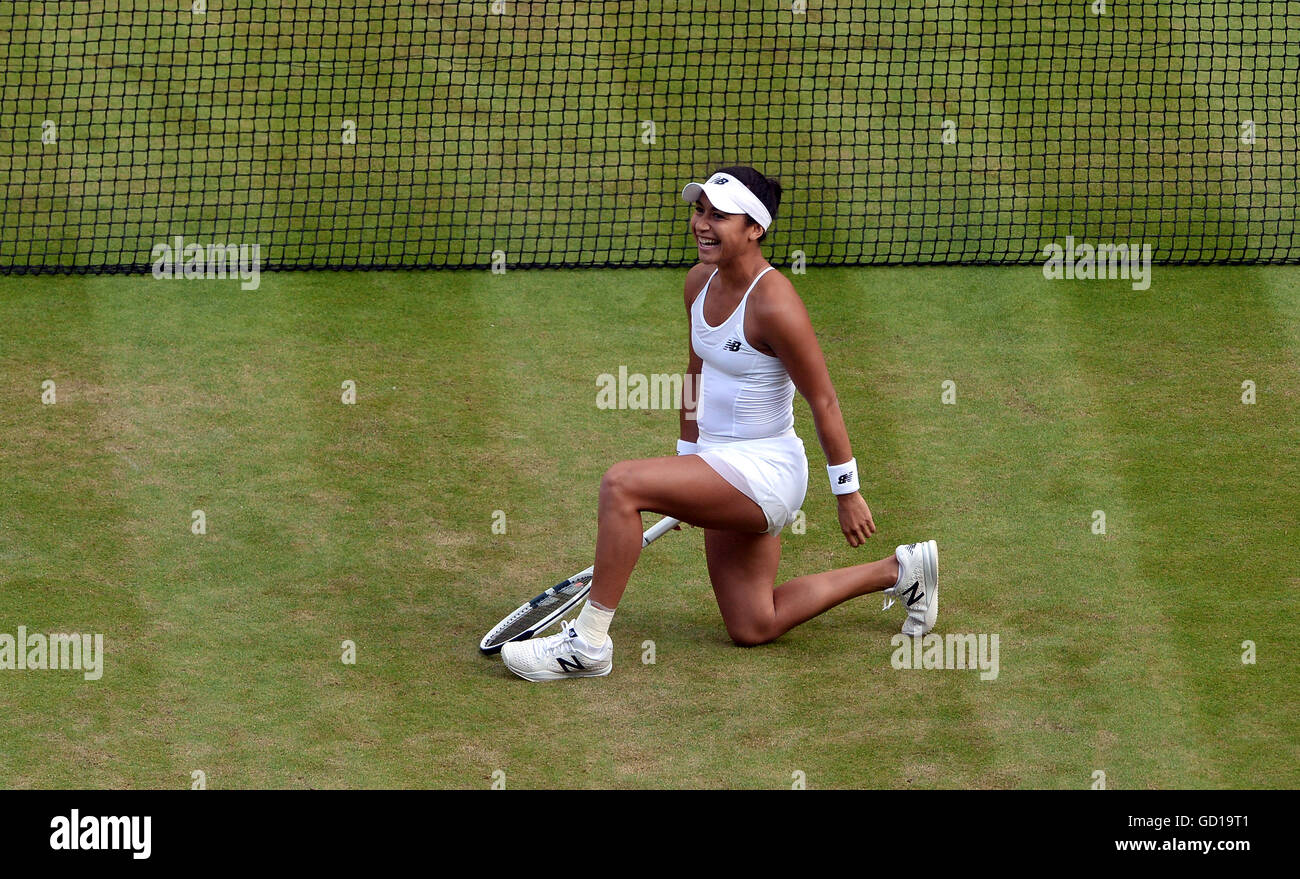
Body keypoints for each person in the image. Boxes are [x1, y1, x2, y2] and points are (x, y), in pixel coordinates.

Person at [502, 166, 938, 681]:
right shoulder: (698, 282)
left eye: (719, 216)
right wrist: (689, 468)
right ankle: (902, 571)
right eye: (699, 210)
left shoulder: (776, 304)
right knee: (753, 624)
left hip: (766, 471)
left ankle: (589, 643)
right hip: (717, 463)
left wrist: (847, 491)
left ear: (755, 228)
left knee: (621, 484)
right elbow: (695, 372)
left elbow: (824, 400)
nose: (702, 224)